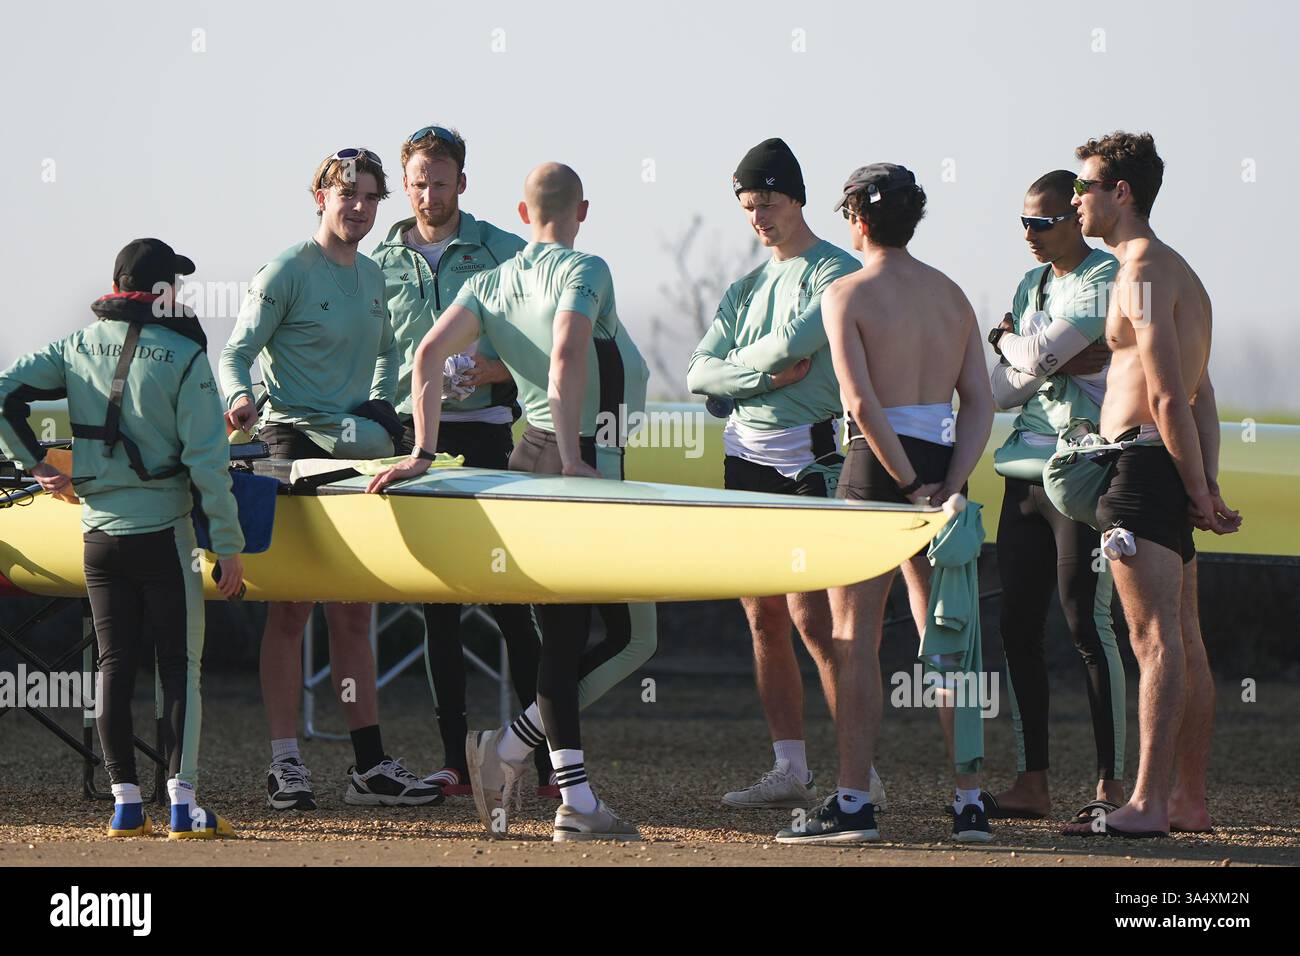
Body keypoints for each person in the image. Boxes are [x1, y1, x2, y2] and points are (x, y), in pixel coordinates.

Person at [368, 162, 655, 843]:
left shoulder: (491, 281)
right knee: (622, 636)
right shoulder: (587, 269)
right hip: (582, 462)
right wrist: (578, 456)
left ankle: (521, 758)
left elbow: (426, 356)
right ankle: (560, 789)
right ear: (581, 209)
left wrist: (422, 451)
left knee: (578, 635)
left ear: (523, 217)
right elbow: (565, 358)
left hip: (534, 456)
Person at [776, 164, 995, 843]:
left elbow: (860, 404)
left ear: (857, 220)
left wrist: (905, 486)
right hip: (939, 470)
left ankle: (852, 803)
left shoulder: (846, 293)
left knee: (854, 640)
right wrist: (948, 485)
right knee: (950, 642)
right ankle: (970, 806)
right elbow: (981, 403)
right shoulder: (952, 295)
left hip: (878, 472)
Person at [0, 239, 243, 838]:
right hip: (166, 538)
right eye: (176, 289)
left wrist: (34, 463)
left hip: (98, 538)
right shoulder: (186, 357)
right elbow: (210, 464)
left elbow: (3, 392)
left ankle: (126, 805)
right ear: (162, 293)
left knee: (113, 665)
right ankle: (184, 808)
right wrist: (229, 546)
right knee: (179, 666)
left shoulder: (75, 346)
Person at [221, 149, 441, 810]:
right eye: (349, 195)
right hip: (288, 442)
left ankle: (369, 768)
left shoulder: (373, 278)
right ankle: (284, 764)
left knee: (355, 605)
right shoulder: (288, 269)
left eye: (373, 197)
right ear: (320, 196)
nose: (361, 208)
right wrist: (237, 399)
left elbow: (390, 358)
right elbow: (236, 352)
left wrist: (381, 411)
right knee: (292, 606)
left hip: (353, 448)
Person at [685, 138, 881, 811]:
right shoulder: (745, 287)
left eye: (766, 202)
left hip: (811, 454)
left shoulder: (835, 272)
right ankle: (790, 769)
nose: (758, 217)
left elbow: (798, 344)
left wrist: (744, 370)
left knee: (815, 617)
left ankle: (861, 772)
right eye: (747, 206)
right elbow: (697, 373)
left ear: (796, 197)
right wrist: (759, 375)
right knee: (762, 615)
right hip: (744, 454)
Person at [1062, 132, 1239, 838]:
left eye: (1084, 188)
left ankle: (1145, 804)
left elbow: (1168, 396)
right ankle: (1186, 800)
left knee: (1152, 639)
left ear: (1120, 193)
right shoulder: (1181, 272)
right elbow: (1204, 395)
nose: (1075, 200)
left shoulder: (1138, 273)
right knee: (1185, 640)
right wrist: (1206, 481)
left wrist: (1197, 490)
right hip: (1167, 466)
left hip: (1142, 465)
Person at [371, 124, 553, 797]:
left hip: (489, 439)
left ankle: (546, 761)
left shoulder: (504, 251)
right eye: (418, 182)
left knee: (514, 600)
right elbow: (369, 351)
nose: (428, 194)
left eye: (440, 182)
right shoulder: (375, 262)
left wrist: (492, 370)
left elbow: (542, 354)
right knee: (437, 606)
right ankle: (452, 759)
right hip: (411, 446)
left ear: (462, 184)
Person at [983, 170, 1126, 824]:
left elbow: (1027, 362)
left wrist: (1006, 342)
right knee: (1016, 625)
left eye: (1042, 223)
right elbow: (1001, 393)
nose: (1029, 236)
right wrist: (1038, 356)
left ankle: (1111, 789)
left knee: (1085, 626)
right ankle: (1032, 782)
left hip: (1082, 470)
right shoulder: (1032, 284)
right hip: (1022, 477)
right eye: (1023, 223)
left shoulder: (1104, 277)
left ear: (1075, 219)